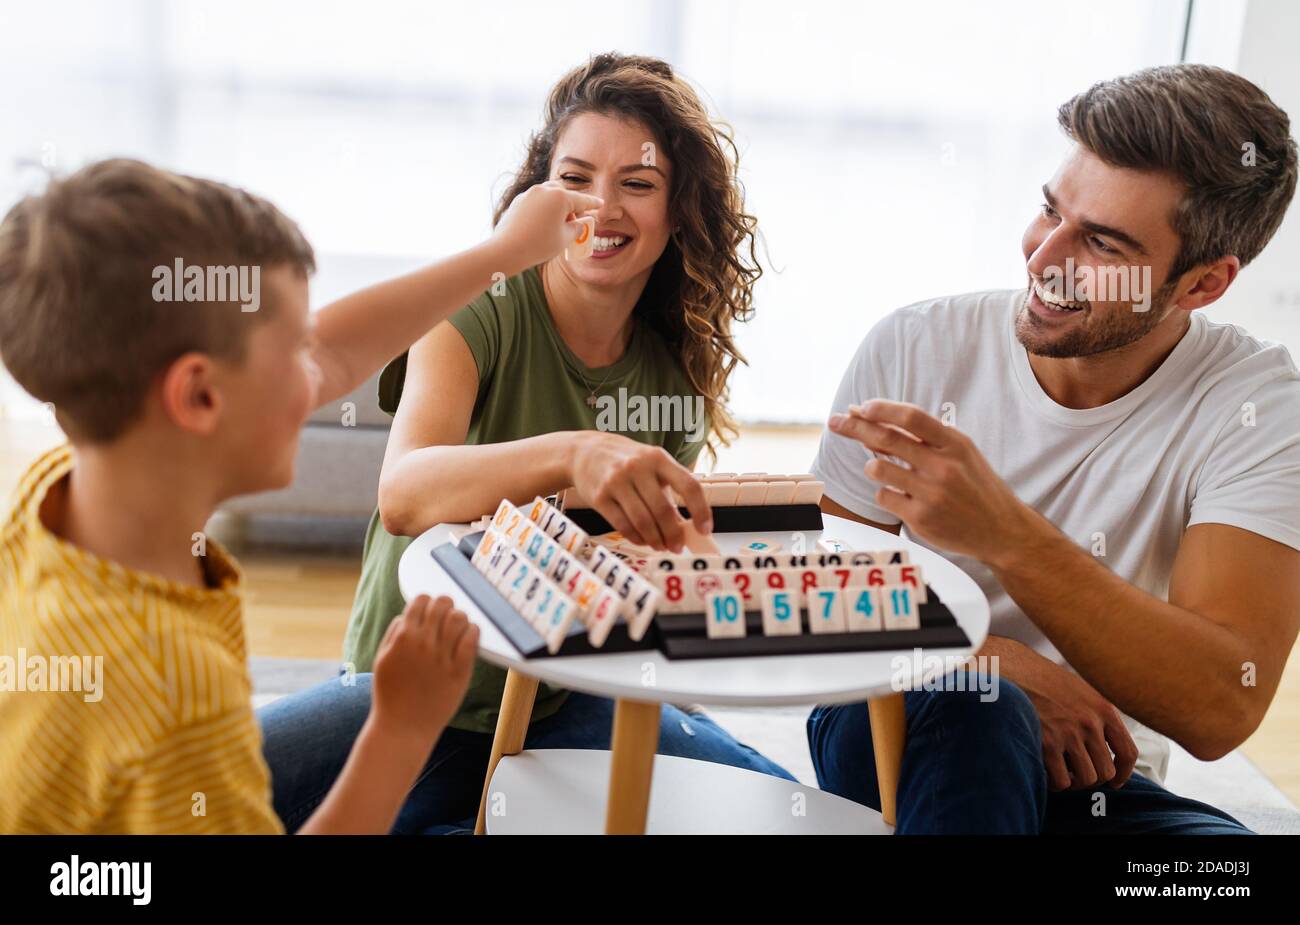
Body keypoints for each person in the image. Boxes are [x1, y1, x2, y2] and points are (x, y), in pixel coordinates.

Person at [0, 156, 602, 833]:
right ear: (199, 395)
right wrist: (400, 732)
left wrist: (506, 253)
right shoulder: (175, 688)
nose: (318, 372)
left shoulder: (54, 495)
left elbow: (336, 352)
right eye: (292, 348)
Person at [809, 64, 1300, 834]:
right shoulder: (917, 345)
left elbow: (1221, 705)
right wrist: (989, 658)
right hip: (897, 711)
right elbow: (810, 600)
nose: (1044, 259)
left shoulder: (1258, 405)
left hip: (1094, 776)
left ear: (1203, 285)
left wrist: (1005, 532)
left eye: (1100, 242)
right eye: (1051, 210)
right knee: (981, 710)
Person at [342, 53, 792, 833]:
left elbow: (634, 567)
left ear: (680, 210)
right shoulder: (475, 312)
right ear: (539, 193)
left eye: (638, 184)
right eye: (576, 178)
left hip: (563, 694)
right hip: (420, 702)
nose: (601, 207)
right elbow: (405, 493)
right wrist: (572, 452)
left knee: (773, 800)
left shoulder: (671, 381)